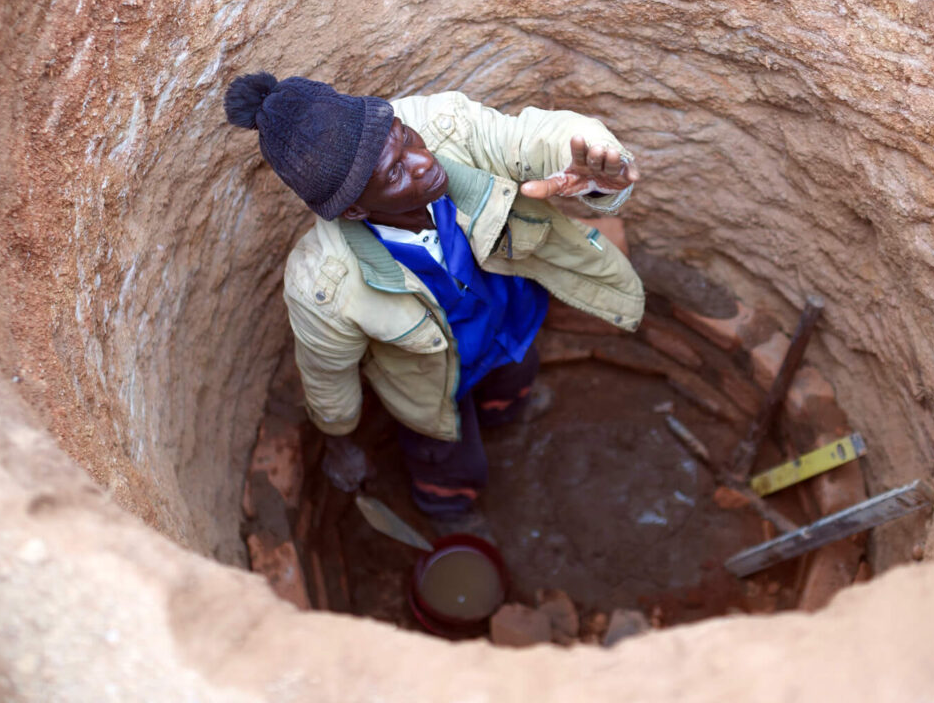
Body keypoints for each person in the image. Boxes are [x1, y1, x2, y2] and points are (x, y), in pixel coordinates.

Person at [224, 72, 644, 535]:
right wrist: (339, 440)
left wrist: (594, 163)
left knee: (517, 372)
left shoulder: (445, 125)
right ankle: (452, 513)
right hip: (432, 385)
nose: (422, 162)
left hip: (510, 323)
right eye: (395, 172)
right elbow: (328, 374)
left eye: (405, 139)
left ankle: (504, 414)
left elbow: (530, 138)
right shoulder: (322, 284)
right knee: (444, 456)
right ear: (355, 211)